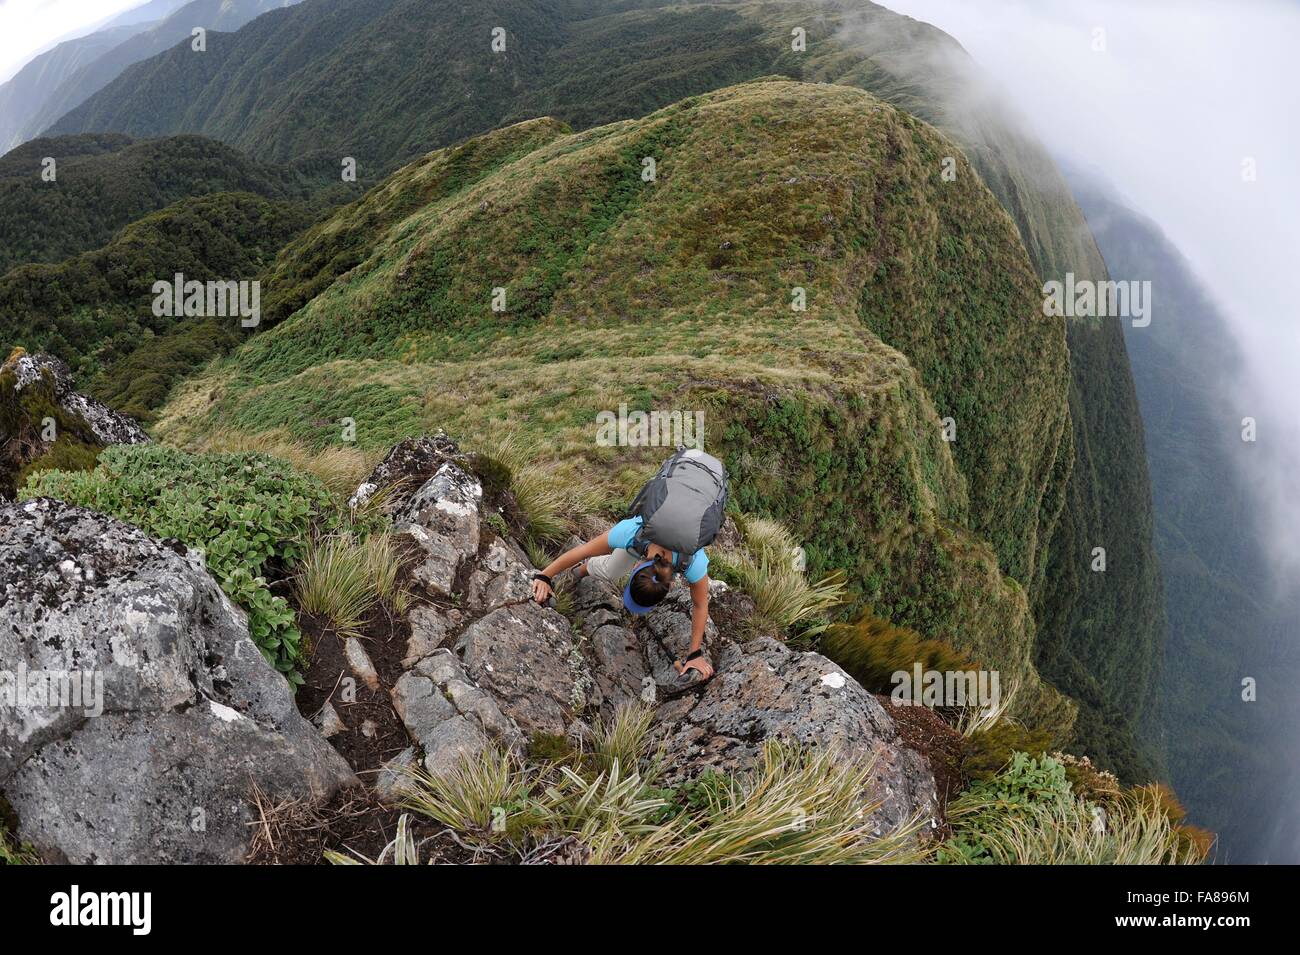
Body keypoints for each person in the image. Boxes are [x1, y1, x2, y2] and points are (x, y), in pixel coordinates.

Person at [530, 515, 714, 681]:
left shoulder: (692, 561)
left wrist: (694, 654)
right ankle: (583, 569)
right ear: (635, 568)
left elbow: (700, 604)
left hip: (684, 520)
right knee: (612, 570)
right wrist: (544, 576)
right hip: (655, 526)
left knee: (613, 569)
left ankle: (585, 569)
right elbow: (584, 550)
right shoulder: (631, 532)